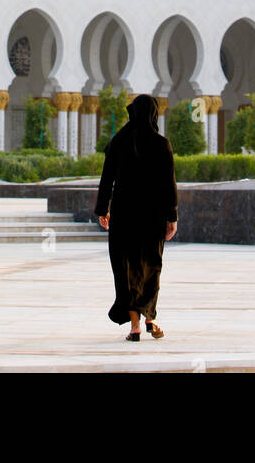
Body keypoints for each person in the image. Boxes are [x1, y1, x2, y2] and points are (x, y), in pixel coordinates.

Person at [94, 93, 178, 341]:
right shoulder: (162, 144)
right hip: (153, 215)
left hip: (124, 214)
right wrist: (171, 216)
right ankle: (150, 317)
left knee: (126, 268)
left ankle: (135, 326)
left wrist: (103, 209)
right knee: (151, 265)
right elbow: (169, 185)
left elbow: (106, 178)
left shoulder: (118, 142)